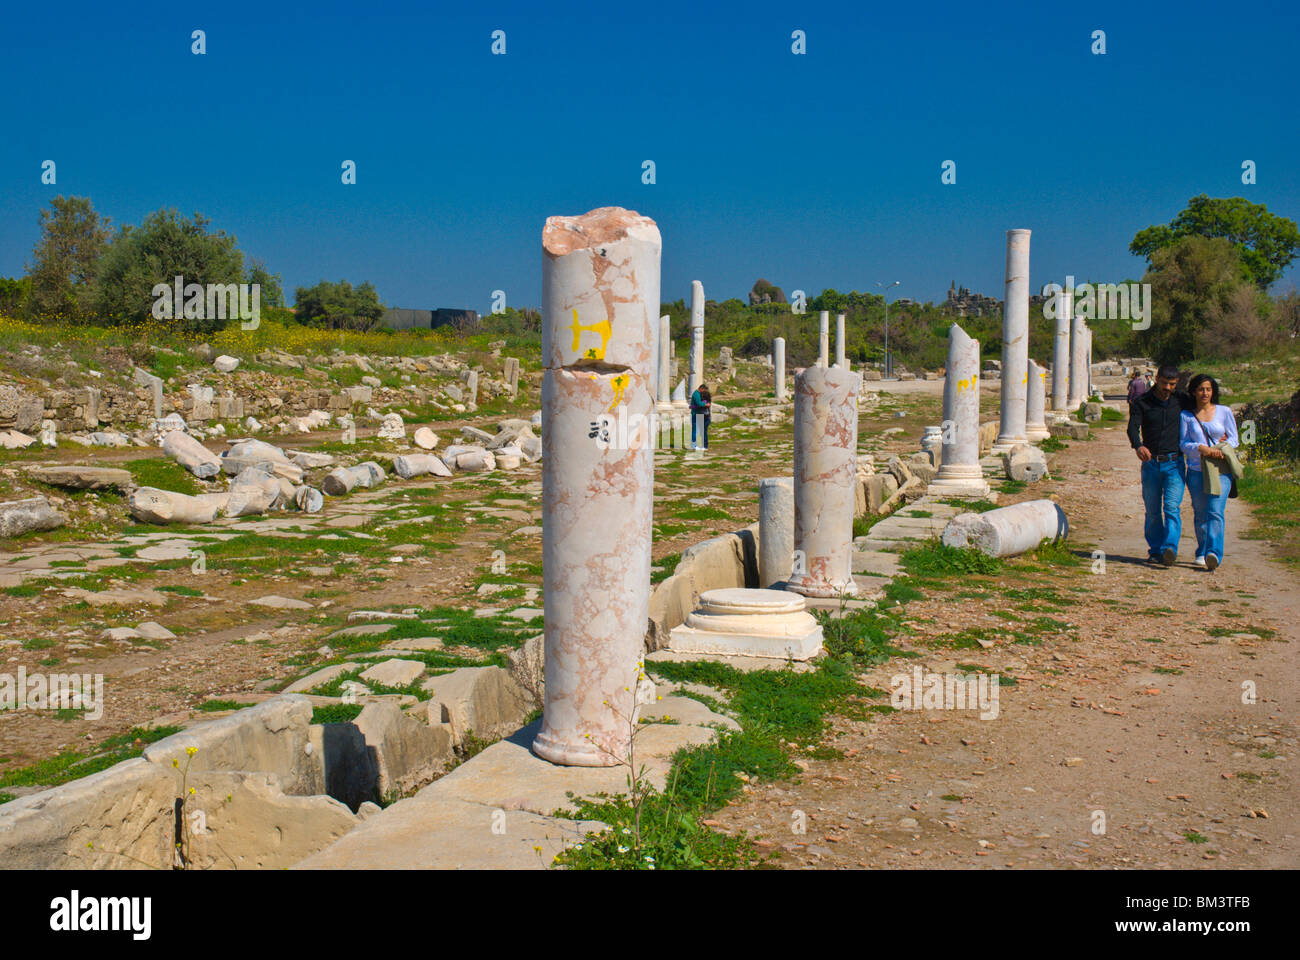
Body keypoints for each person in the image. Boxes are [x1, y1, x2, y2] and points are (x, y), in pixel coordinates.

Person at [1127, 364, 1189, 566]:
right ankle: (1155, 550)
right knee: (1153, 511)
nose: (1167, 388)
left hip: (1175, 464)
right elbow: (1132, 428)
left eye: (1172, 384)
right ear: (1156, 379)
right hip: (1151, 464)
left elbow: (1203, 412)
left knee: (1172, 508)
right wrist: (1138, 446)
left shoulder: (1182, 400)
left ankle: (1169, 548)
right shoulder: (1141, 402)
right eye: (1164, 383)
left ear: (1177, 383)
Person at [1180, 374, 1239, 571]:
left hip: (1220, 470)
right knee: (1200, 513)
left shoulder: (1224, 412)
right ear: (1194, 392)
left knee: (1215, 511)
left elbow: (1234, 438)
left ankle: (1214, 552)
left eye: (1208, 389)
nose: (1205, 393)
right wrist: (1201, 448)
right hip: (1196, 470)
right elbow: (1183, 443)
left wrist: (1220, 449)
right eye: (1201, 389)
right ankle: (1202, 550)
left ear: (1213, 391)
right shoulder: (1186, 416)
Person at [689, 382, 712, 450]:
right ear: (701, 389)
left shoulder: (698, 394)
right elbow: (699, 404)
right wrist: (706, 404)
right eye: (704, 390)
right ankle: (694, 445)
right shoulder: (696, 394)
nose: (704, 392)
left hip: (698, 414)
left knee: (698, 430)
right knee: (695, 430)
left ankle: (697, 445)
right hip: (694, 414)